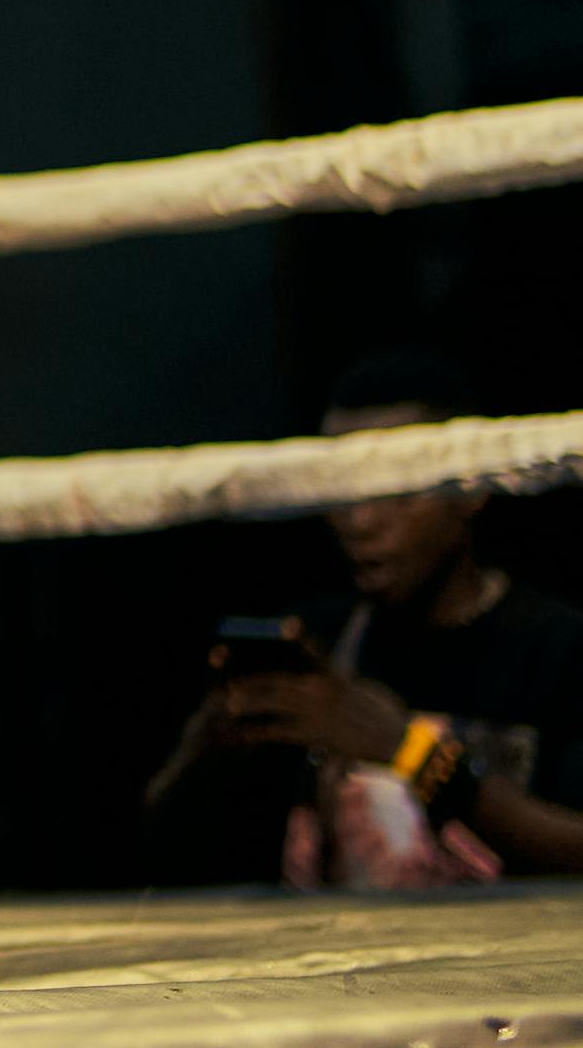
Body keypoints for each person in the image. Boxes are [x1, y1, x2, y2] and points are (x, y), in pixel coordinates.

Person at [146, 352, 583, 886]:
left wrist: (416, 756)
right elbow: (157, 843)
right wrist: (207, 749)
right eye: (342, 489)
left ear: (472, 488)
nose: (361, 520)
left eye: (396, 488)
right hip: (329, 962)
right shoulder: (313, 644)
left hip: (509, 968)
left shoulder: (558, 645)